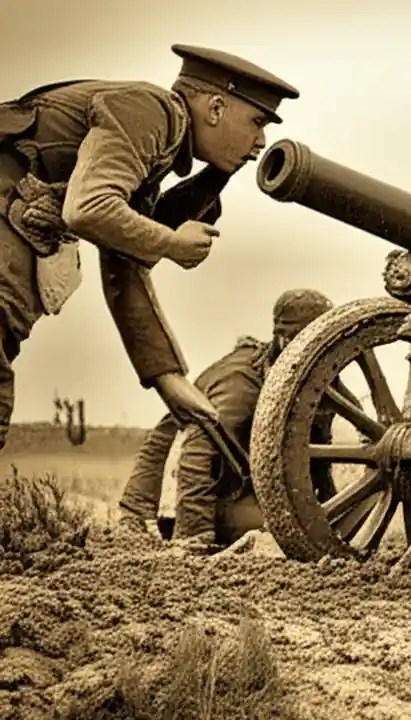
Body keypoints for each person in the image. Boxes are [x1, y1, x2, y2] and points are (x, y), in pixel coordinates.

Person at [0, 44, 300, 453]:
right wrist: (173, 244)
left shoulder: (153, 149)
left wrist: (167, 377)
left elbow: (122, 263)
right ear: (214, 108)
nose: (262, 140)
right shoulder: (152, 111)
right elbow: (88, 208)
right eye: (257, 121)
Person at [117, 288, 338, 554]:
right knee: (282, 531)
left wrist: (334, 519)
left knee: (299, 527)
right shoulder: (241, 382)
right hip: (177, 501)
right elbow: (197, 452)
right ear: (284, 339)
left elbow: (318, 456)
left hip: (232, 486)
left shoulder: (305, 380)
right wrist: (193, 534)